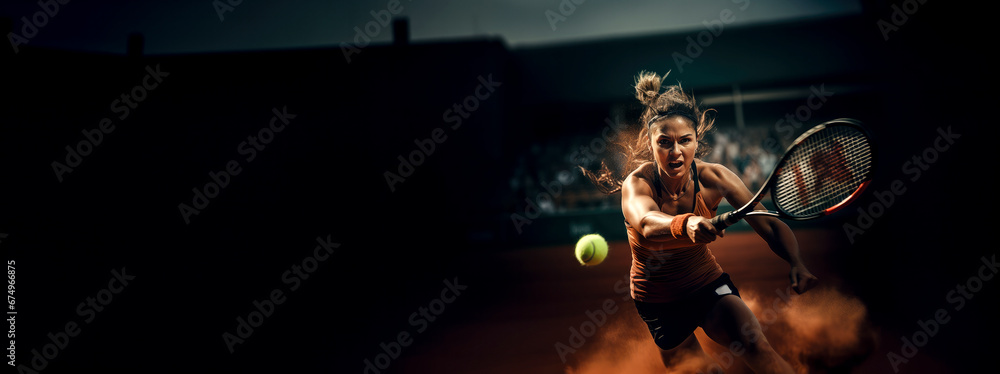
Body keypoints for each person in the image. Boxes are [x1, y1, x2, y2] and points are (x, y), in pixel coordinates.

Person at [581, 71, 818, 373]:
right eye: (664, 142)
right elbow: (647, 223)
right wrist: (687, 223)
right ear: (651, 145)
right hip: (657, 301)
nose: (675, 151)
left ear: (696, 142)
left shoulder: (715, 178)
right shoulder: (637, 183)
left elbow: (768, 223)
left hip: (705, 282)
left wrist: (796, 261)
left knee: (755, 344)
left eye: (685, 141)